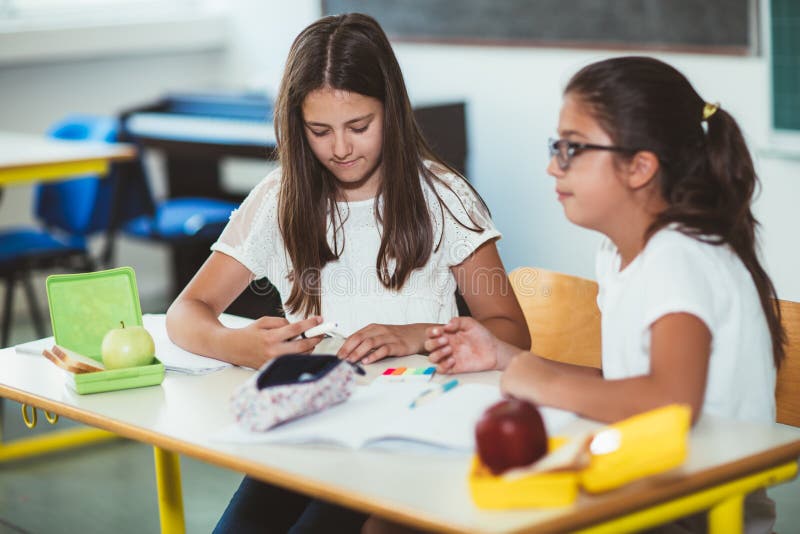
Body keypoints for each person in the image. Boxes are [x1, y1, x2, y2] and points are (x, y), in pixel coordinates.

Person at [165, 12, 529, 534]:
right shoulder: (278, 198)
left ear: (391, 111)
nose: (340, 147)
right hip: (307, 425)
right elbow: (186, 312)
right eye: (319, 130)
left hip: (410, 435)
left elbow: (514, 332)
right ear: (297, 126)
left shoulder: (444, 197)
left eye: (359, 126)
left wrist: (418, 335)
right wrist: (239, 345)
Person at [425, 57, 785, 533]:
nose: (553, 166)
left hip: (697, 511)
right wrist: (503, 356)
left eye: (572, 148)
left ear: (639, 167)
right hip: (646, 485)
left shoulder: (680, 257)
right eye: (556, 146)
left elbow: (672, 402)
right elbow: (625, 385)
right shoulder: (617, 255)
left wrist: (542, 383)